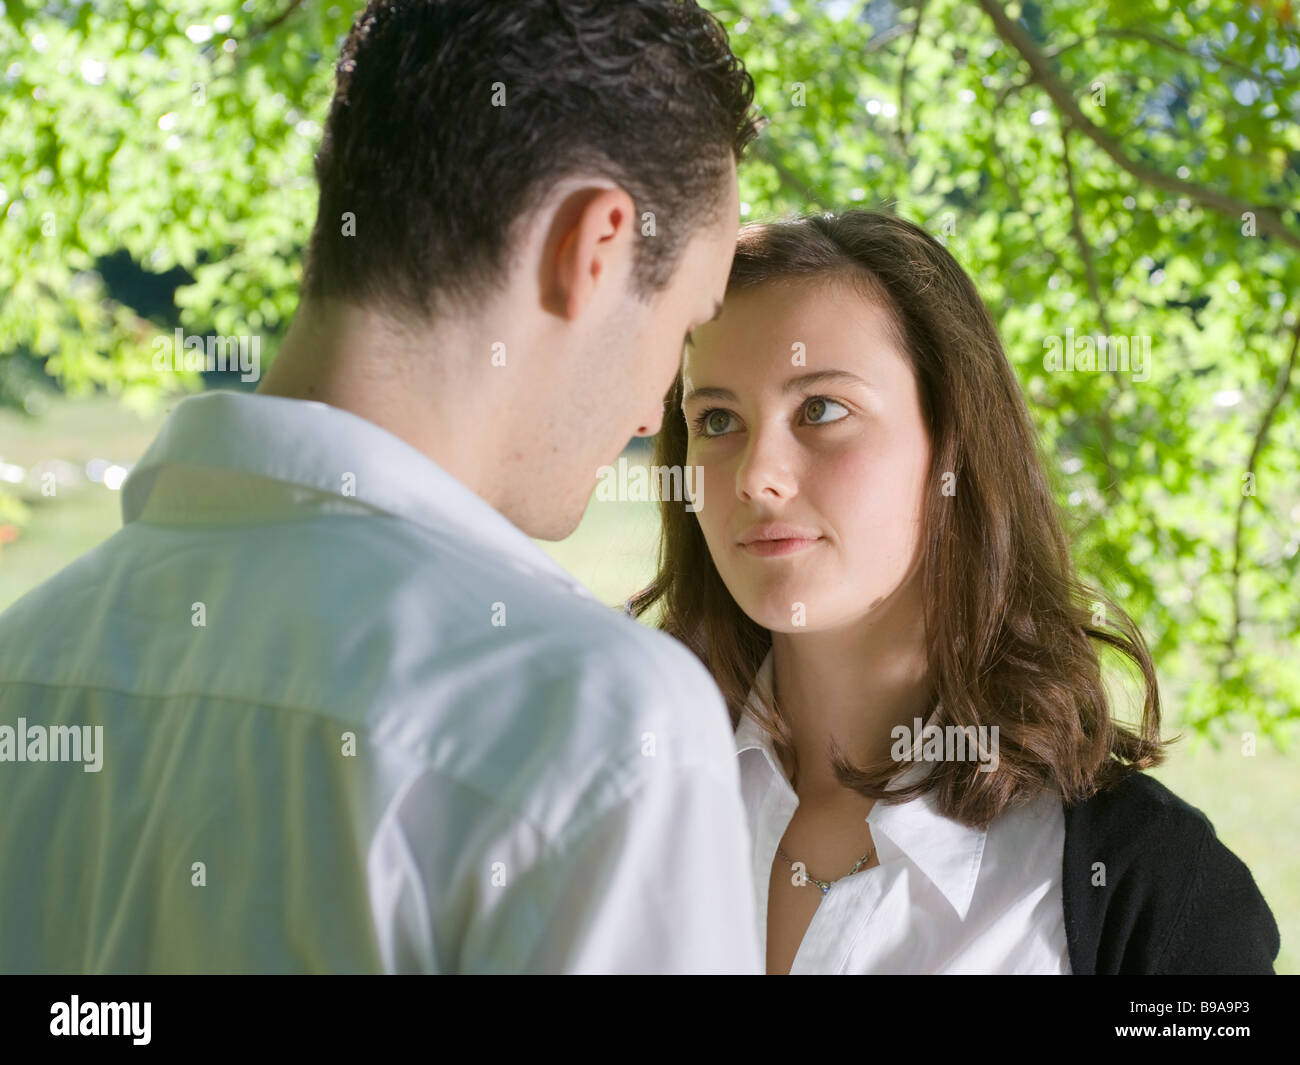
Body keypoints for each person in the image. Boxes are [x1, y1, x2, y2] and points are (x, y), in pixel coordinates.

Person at [0, 0, 765, 974]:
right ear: (597, 247)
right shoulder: (599, 723)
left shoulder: (25, 662)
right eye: (683, 326)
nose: (655, 414)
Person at [630, 209, 1280, 974]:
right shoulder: (622, 791)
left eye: (821, 408)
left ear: (955, 447)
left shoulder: (1155, 891)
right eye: (716, 418)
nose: (755, 475)